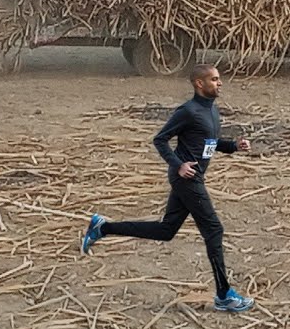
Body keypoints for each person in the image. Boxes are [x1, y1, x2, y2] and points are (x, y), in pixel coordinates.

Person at [80, 63, 255, 312]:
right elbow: (160, 139)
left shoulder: (211, 110)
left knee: (166, 230)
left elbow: (210, 142)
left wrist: (234, 146)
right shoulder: (188, 111)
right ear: (199, 83)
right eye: (214, 79)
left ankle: (103, 227)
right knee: (214, 229)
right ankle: (224, 295)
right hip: (187, 179)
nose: (220, 83)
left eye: (219, 79)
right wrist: (179, 164)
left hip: (194, 178)